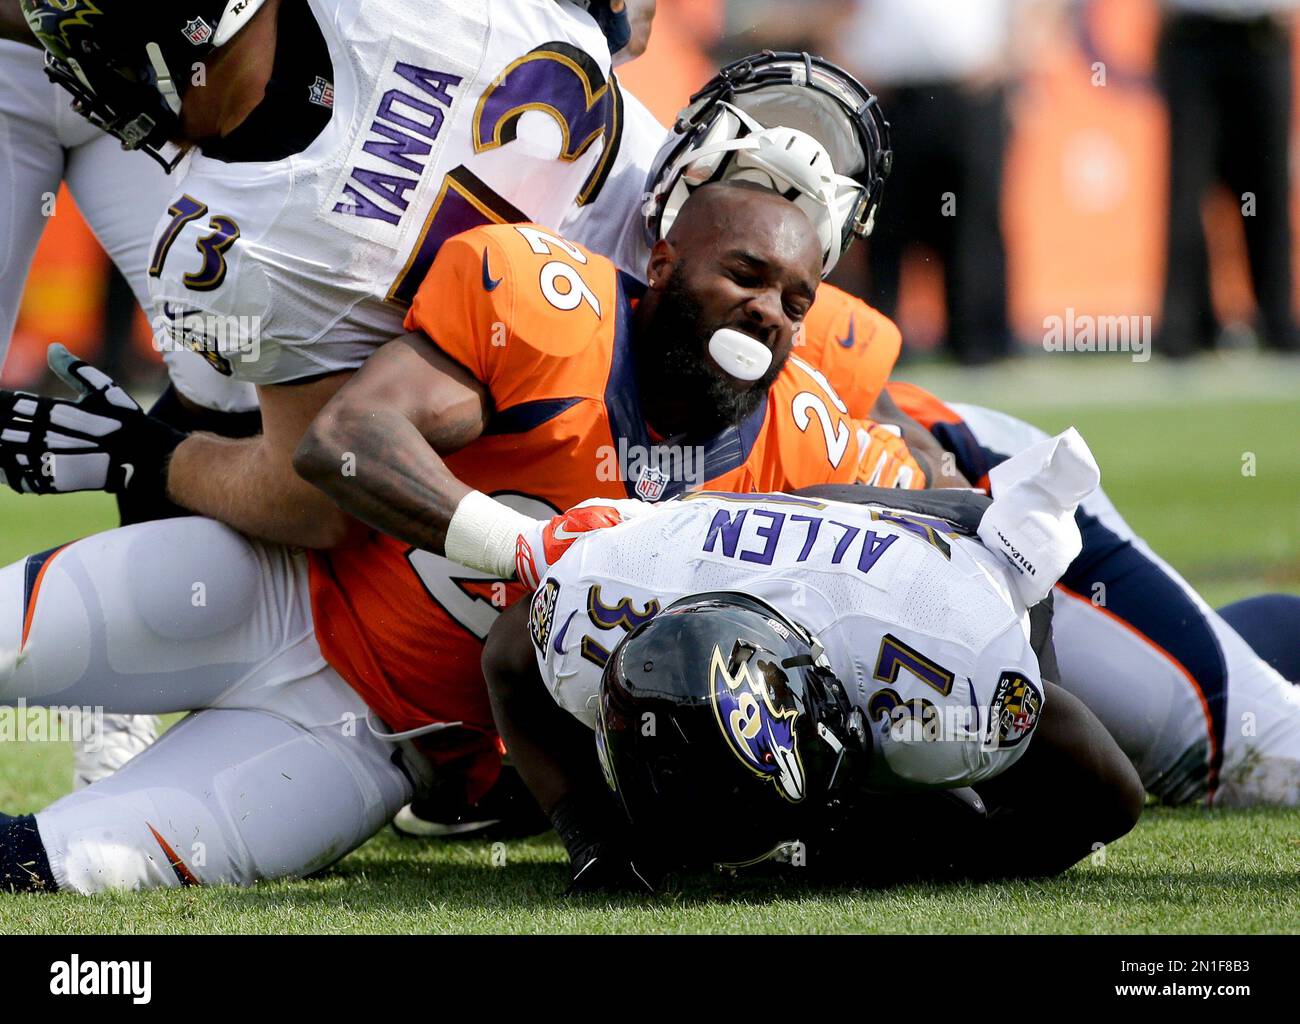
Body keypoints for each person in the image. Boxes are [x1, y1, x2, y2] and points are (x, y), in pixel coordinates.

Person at [0, 181, 927, 893]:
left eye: (799, 301)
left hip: (369, 742)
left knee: (69, 861)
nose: (771, 311)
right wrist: (528, 552)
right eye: (746, 275)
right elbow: (345, 441)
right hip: (272, 588)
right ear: (663, 262)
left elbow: (928, 537)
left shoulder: (801, 439)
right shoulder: (555, 317)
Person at [481, 475, 1143, 892]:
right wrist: (595, 843)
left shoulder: (941, 676)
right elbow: (508, 657)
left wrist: (962, 867)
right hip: (738, 547)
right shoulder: (592, 614)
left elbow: (1109, 799)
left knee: (921, 834)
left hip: (949, 556)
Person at [1156, 0, 1300, 355]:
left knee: (1265, 187)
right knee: (1187, 191)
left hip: (1261, 34)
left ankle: (1277, 319)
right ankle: (1184, 327)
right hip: (1193, 35)